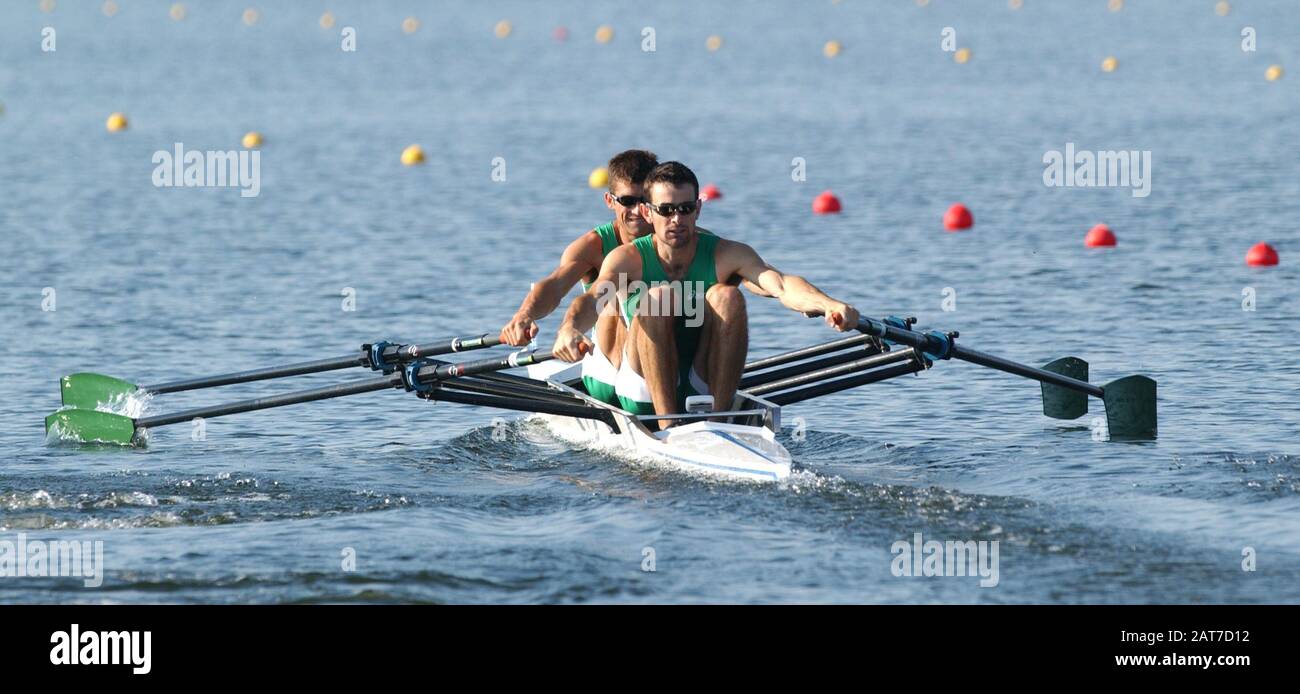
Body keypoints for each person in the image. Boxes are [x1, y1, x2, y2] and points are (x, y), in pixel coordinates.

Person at [551, 161, 860, 430]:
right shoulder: (626, 259)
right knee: (659, 297)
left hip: (702, 382)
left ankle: (719, 423)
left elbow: (780, 284)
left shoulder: (727, 254)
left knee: (728, 297)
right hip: (643, 390)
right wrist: (569, 328)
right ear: (648, 211)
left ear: (698, 208)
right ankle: (667, 425)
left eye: (685, 209)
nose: (677, 219)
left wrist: (828, 304)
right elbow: (593, 300)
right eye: (666, 210)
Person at [498, 149, 660, 405]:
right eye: (627, 201)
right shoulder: (592, 246)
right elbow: (554, 286)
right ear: (610, 200)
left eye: (644, 201)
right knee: (617, 287)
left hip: (661, 365)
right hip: (609, 374)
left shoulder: (680, 239)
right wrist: (524, 315)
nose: (637, 211)